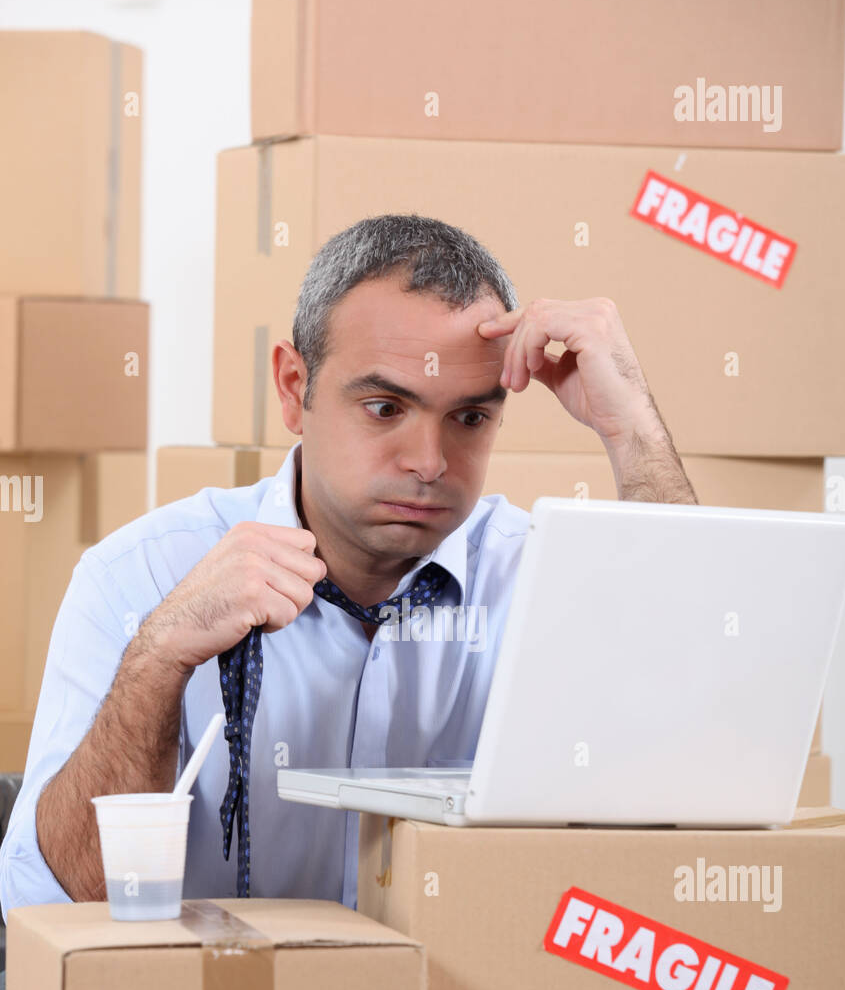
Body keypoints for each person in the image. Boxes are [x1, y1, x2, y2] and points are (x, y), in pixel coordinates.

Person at [0, 213, 697, 922]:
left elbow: (693, 779)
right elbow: (49, 906)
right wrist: (159, 660)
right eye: (384, 406)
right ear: (292, 386)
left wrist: (631, 427)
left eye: (470, 419)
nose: (429, 462)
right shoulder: (141, 576)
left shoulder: (543, 581)